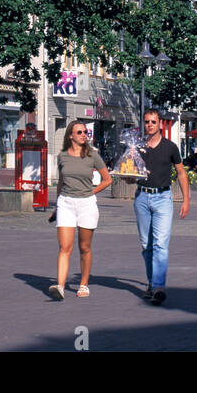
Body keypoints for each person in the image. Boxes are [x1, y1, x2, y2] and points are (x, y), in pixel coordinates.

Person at [49, 122, 112, 299]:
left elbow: (107, 180)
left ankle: (83, 284)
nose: (84, 134)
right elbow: (61, 181)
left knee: (84, 247)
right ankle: (60, 286)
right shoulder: (62, 156)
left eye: (85, 132)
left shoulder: (93, 156)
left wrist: (91, 192)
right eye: (80, 132)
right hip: (66, 203)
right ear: (71, 135)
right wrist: (56, 205)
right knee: (64, 247)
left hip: (86, 204)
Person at [133, 109, 189, 305]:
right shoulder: (137, 147)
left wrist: (186, 200)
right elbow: (130, 173)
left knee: (160, 244)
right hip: (141, 197)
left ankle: (158, 286)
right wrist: (128, 175)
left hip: (163, 198)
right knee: (146, 246)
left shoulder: (170, 147)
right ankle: (151, 283)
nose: (149, 125)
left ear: (160, 124)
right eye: (147, 122)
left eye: (153, 122)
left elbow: (181, 173)